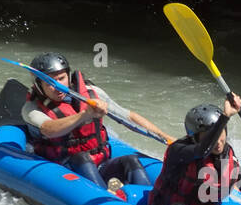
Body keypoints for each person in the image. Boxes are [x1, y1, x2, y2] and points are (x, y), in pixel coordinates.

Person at [21, 51, 174, 190]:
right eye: (49, 82)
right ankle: (107, 199)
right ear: (39, 85)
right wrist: (85, 114)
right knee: (81, 158)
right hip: (64, 167)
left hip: (100, 162)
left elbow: (128, 117)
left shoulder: (93, 94)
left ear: (68, 76)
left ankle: (149, 203)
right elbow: (49, 129)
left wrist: (166, 137)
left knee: (131, 160)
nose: (57, 86)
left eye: (61, 79)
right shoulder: (31, 108)